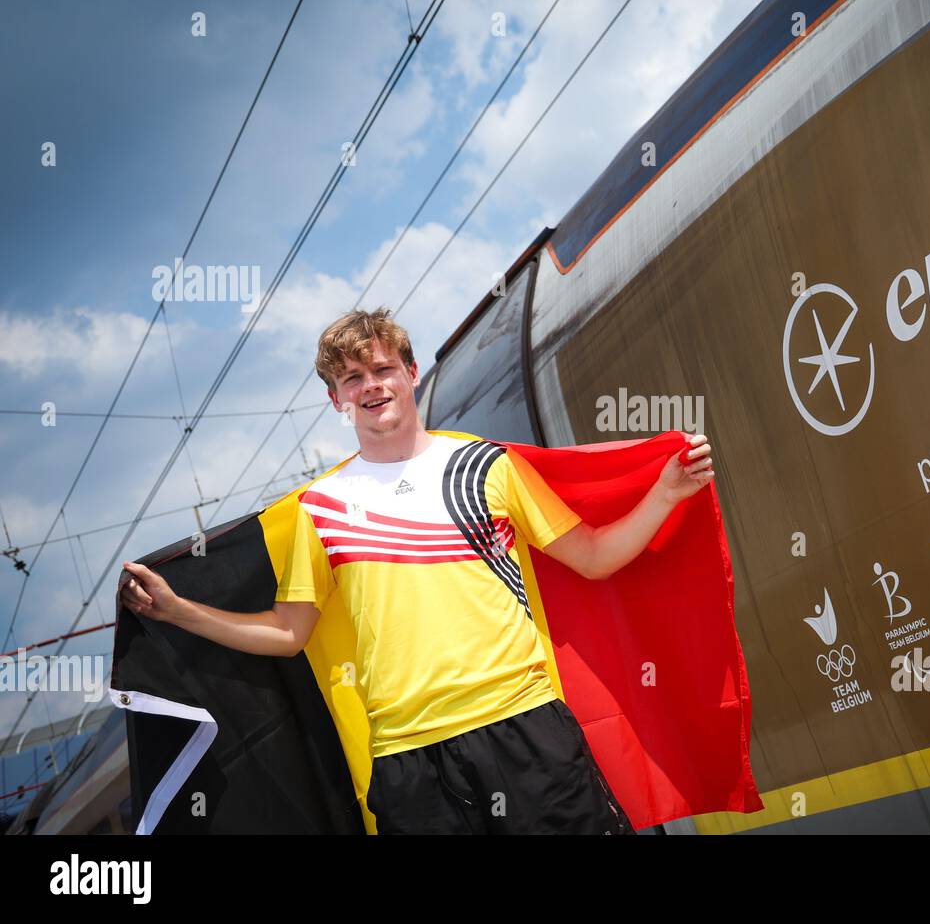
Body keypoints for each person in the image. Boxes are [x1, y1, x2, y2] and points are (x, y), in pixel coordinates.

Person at [120, 308, 716, 834]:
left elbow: (592, 557)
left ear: (410, 373)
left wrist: (665, 495)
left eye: (381, 369)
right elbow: (288, 633)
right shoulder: (318, 510)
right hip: (408, 762)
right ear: (337, 399)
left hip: (524, 727)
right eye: (351, 378)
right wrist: (177, 611)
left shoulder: (487, 466)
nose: (370, 386)